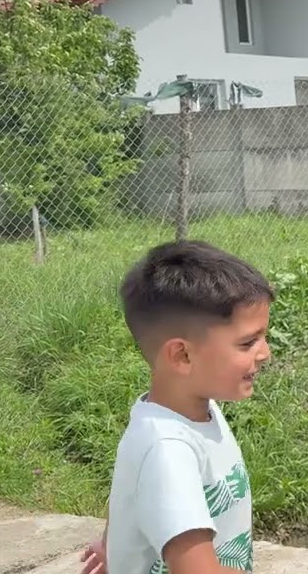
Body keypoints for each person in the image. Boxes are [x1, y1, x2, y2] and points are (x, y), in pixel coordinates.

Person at [79, 240, 274, 574]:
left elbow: (131, 488)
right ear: (183, 356)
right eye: (247, 342)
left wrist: (115, 541)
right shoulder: (168, 448)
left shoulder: (187, 412)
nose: (265, 352)